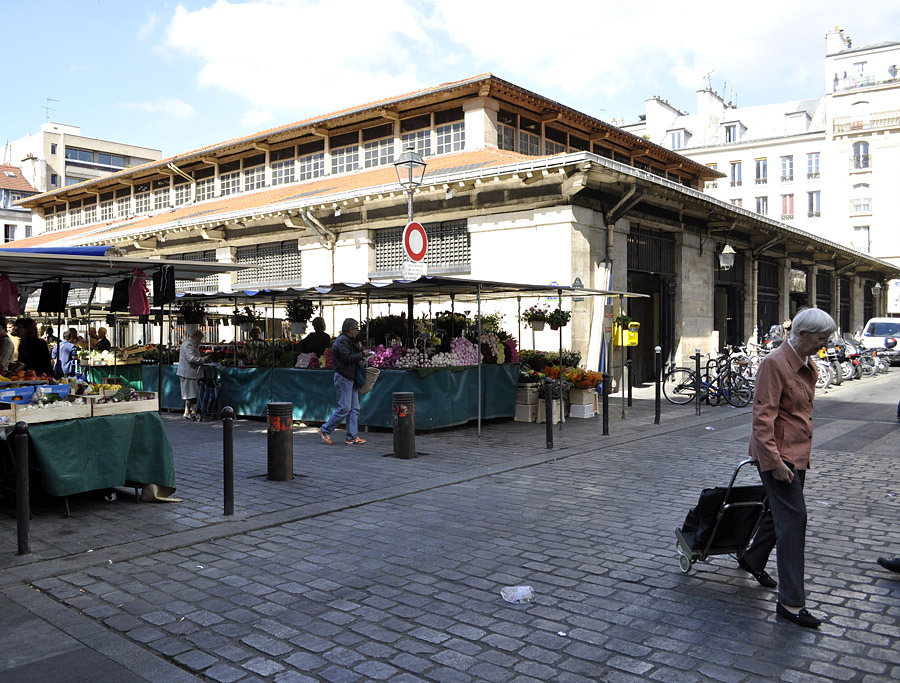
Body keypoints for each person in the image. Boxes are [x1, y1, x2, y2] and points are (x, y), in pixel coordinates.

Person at [741, 307, 836, 629]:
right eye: (821, 339)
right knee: (794, 523)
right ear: (803, 334)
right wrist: (775, 463)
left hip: (798, 453)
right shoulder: (774, 364)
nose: (824, 344)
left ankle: (753, 558)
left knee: (778, 514)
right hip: (778, 457)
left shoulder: (807, 364)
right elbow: (761, 419)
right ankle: (792, 603)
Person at [319, 318, 372, 445]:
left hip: (349, 376)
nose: (357, 332)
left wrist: (359, 360)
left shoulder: (345, 340)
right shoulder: (342, 341)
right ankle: (325, 429)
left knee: (354, 408)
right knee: (344, 407)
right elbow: (347, 357)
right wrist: (362, 354)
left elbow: (347, 358)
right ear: (351, 329)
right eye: (356, 329)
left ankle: (351, 436)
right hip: (344, 377)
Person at [176, 328, 206, 419]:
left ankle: (189, 411)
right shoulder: (188, 345)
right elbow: (191, 358)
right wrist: (203, 359)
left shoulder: (191, 344)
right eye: (200, 339)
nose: (200, 341)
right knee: (191, 394)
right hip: (188, 373)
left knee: (190, 393)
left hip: (190, 373)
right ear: (195, 337)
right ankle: (191, 411)